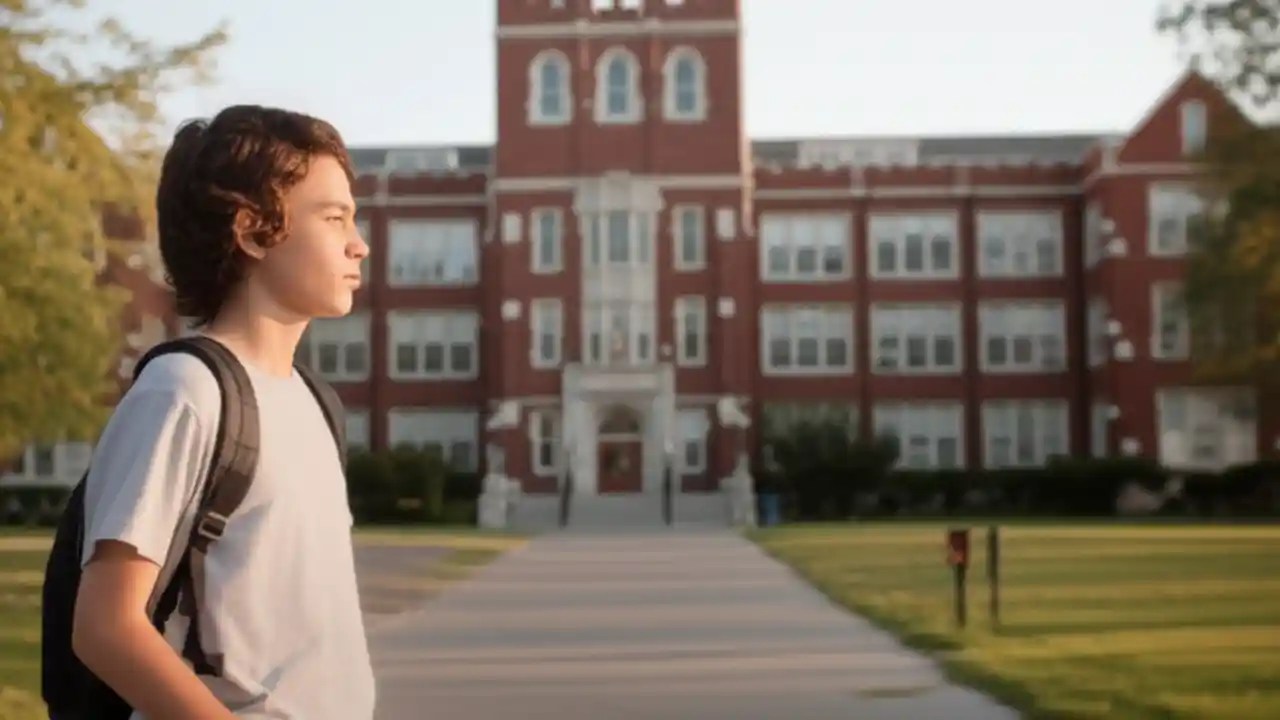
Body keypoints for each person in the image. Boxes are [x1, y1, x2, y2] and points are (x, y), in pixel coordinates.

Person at [70, 105, 375, 719]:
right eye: (334, 217)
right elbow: (105, 625)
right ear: (254, 230)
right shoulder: (185, 391)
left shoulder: (315, 402)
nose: (358, 244)